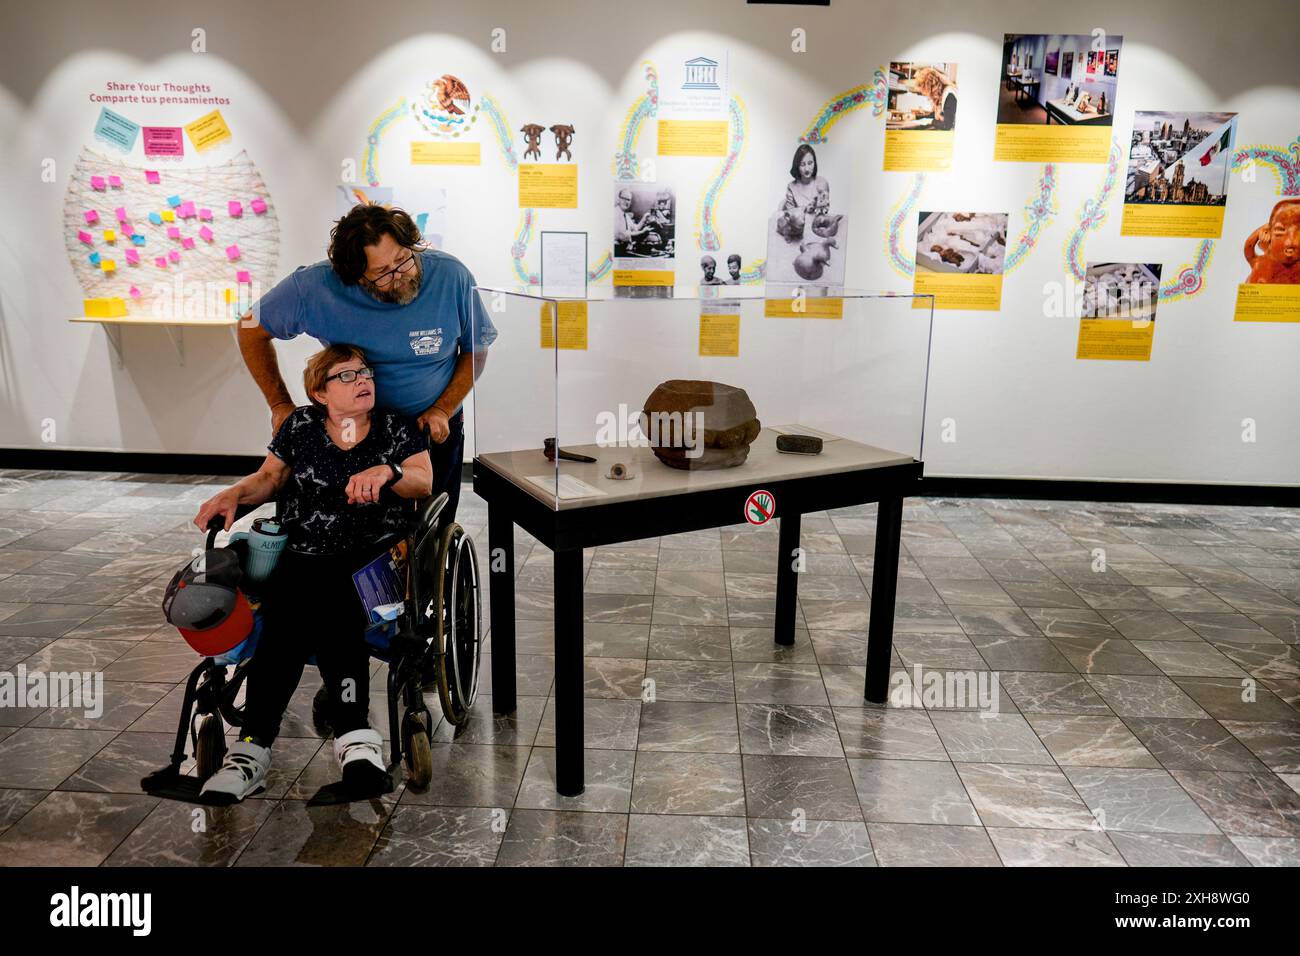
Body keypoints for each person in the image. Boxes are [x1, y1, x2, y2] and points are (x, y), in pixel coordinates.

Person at [193, 345, 434, 803]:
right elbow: (271, 479)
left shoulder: (392, 427)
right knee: (284, 621)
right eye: (346, 376)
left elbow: (422, 480)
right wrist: (235, 494)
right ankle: (256, 751)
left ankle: (351, 739)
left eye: (365, 372)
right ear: (319, 394)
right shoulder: (300, 427)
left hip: (375, 557)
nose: (363, 380)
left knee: (335, 606)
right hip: (303, 553)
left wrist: (387, 471)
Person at [238, 204, 496, 527]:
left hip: (432, 428)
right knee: (357, 527)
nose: (400, 275)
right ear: (356, 277)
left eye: (404, 259)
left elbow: (477, 349)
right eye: (383, 273)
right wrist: (278, 404)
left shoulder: (451, 276)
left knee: (432, 530)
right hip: (355, 432)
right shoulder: (315, 287)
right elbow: (250, 329)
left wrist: (444, 408)